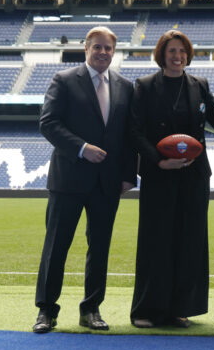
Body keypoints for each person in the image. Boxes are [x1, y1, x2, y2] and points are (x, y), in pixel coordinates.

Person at [33, 26, 137, 334]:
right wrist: (81, 148)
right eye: (98, 47)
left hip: (108, 183)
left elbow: (129, 136)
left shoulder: (125, 86)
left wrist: (129, 175)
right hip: (68, 180)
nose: (103, 53)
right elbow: (48, 123)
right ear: (86, 49)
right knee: (57, 246)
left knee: (100, 248)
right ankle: (46, 311)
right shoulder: (64, 81)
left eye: (108, 48)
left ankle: (91, 309)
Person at [129, 30, 214, 329]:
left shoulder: (200, 85)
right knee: (156, 241)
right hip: (160, 174)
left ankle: (179, 309)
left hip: (194, 175)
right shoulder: (144, 87)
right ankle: (147, 310)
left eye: (182, 51)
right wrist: (159, 160)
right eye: (172, 51)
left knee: (190, 241)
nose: (178, 56)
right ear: (162, 54)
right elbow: (134, 132)